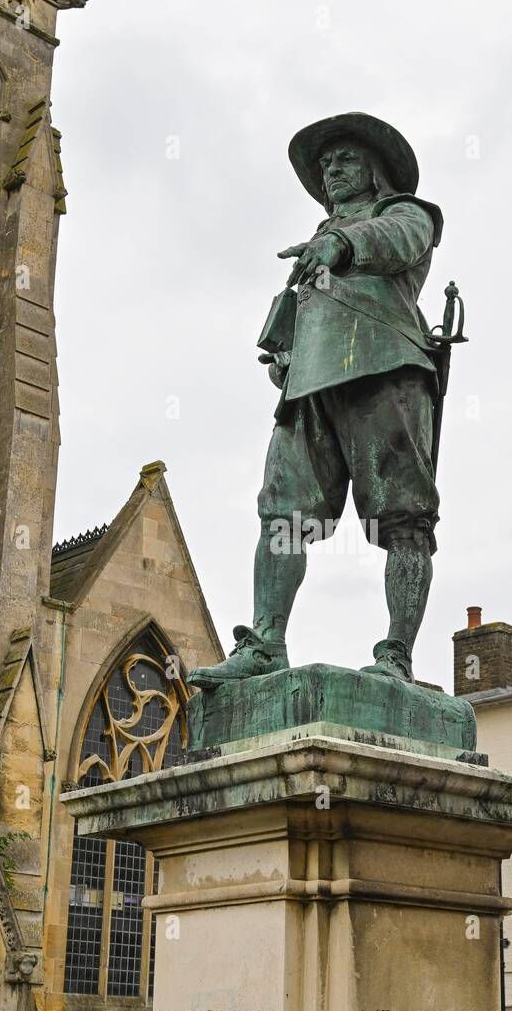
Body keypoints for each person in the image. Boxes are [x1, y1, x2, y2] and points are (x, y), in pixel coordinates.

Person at [188, 112, 445, 688]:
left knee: (402, 522)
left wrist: (338, 242)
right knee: (281, 513)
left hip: (388, 370)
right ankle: (265, 643)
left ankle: (396, 655)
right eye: (325, 164)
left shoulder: (404, 216)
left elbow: (393, 242)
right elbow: (290, 328)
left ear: (376, 170)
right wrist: (283, 359)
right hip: (309, 388)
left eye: (346, 159)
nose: (332, 170)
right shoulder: (313, 251)